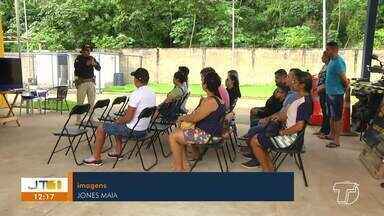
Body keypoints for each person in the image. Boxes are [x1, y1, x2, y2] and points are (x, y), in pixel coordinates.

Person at [83, 68, 156, 166]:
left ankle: (96, 158)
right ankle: (118, 152)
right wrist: (121, 120)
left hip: (133, 131)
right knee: (118, 124)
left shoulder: (136, 93)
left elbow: (128, 118)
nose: (133, 79)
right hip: (144, 129)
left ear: (137, 80)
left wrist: (119, 120)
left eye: (134, 77)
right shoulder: (152, 92)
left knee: (102, 127)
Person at [247, 71, 313, 171]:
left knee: (255, 141)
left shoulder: (304, 102)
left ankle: (267, 171)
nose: (293, 83)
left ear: (302, 85)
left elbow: (299, 126)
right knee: (258, 136)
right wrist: (278, 118)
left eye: (295, 81)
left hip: (290, 140)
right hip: (288, 135)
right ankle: (270, 169)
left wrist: (282, 132)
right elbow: (289, 115)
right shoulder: (299, 98)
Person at [168, 71, 226, 171]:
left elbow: (195, 118)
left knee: (173, 137)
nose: (201, 83)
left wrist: (181, 118)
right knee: (179, 132)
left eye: (203, 81)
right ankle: (184, 164)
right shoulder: (216, 99)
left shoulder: (210, 101)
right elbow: (196, 114)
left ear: (206, 85)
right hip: (209, 133)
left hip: (207, 136)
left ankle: (179, 168)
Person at [241, 68, 299, 168]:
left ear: (294, 80)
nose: (286, 78)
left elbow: (283, 114)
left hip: (282, 131)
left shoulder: (293, 96)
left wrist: (271, 120)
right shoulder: (290, 94)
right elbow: (281, 112)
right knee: (255, 129)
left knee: (255, 134)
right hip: (277, 124)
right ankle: (255, 151)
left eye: (288, 77)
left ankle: (257, 156)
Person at [324, 41, 349, 148]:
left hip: (336, 94)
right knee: (331, 115)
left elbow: (344, 79)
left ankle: (337, 140)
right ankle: (331, 134)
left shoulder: (338, 62)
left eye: (328, 49)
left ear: (335, 50)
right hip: (330, 93)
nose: (326, 51)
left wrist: (344, 88)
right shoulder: (331, 61)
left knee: (337, 117)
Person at [74, 44, 101, 122]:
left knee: (91, 102)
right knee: (80, 102)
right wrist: (86, 65)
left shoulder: (92, 58)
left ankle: (91, 118)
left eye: (89, 51)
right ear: (82, 51)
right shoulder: (78, 59)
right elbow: (77, 70)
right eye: (86, 50)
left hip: (91, 82)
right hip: (82, 82)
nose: (87, 52)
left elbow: (99, 68)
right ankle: (78, 120)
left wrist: (95, 64)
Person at [314, 51, 331, 137]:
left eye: (323, 56)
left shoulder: (330, 67)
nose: (321, 58)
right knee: (324, 111)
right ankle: (323, 129)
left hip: (326, 92)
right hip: (321, 91)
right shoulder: (324, 66)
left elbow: (329, 81)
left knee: (327, 112)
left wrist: (322, 87)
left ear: (327, 57)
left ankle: (326, 131)